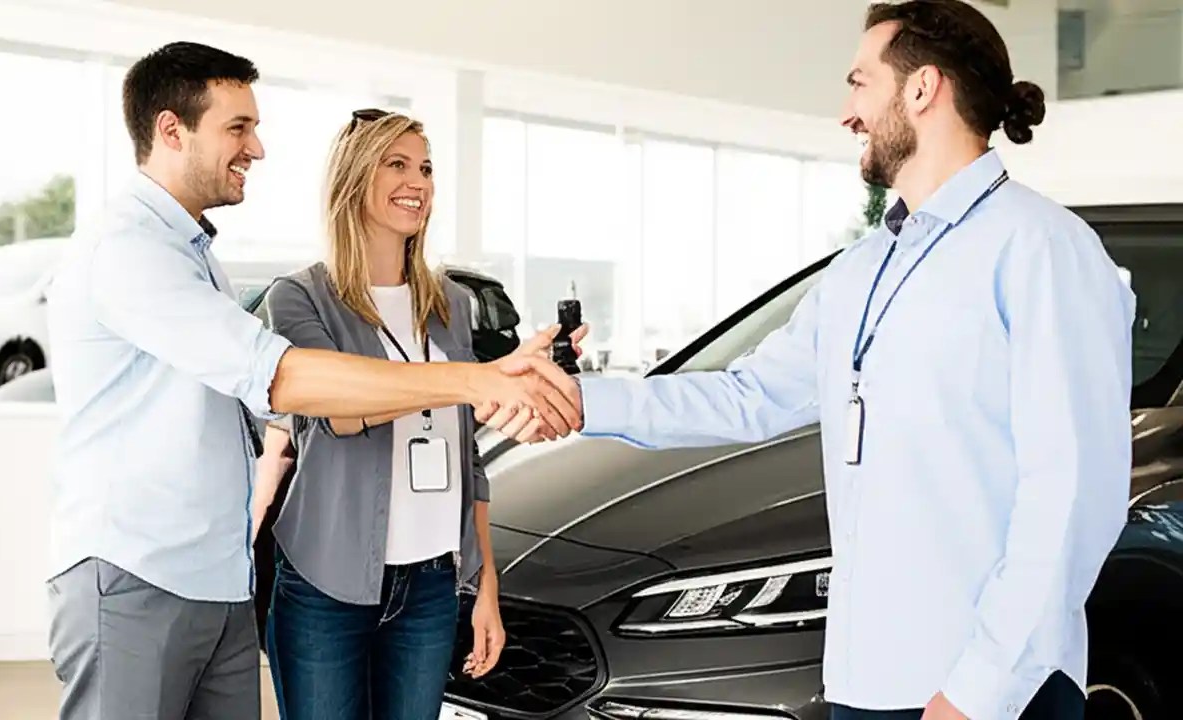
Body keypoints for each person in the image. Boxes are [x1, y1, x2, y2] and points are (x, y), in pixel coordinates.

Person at [481, 2, 1135, 719]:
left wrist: (977, 692)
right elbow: (747, 395)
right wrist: (579, 400)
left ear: (921, 90)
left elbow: (1071, 497)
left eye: (860, 82)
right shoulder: (863, 266)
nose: (846, 111)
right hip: (864, 680)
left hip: (992, 692)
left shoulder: (1043, 249)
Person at [44, 42, 581, 720]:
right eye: (238, 127)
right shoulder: (129, 252)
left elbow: (451, 447)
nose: (258, 147)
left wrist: (503, 385)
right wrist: (474, 381)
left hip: (217, 575)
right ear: (171, 130)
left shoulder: (195, 255)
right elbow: (285, 382)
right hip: (137, 574)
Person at [250, 109, 583, 720]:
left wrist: (485, 585)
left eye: (426, 168)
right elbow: (339, 416)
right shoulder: (299, 297)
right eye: (397, 164)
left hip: (431, 584)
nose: (419, 182)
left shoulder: (451, 302)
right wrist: (471, 380)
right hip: (326, 582)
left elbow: (467, 455)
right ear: (354, 178)